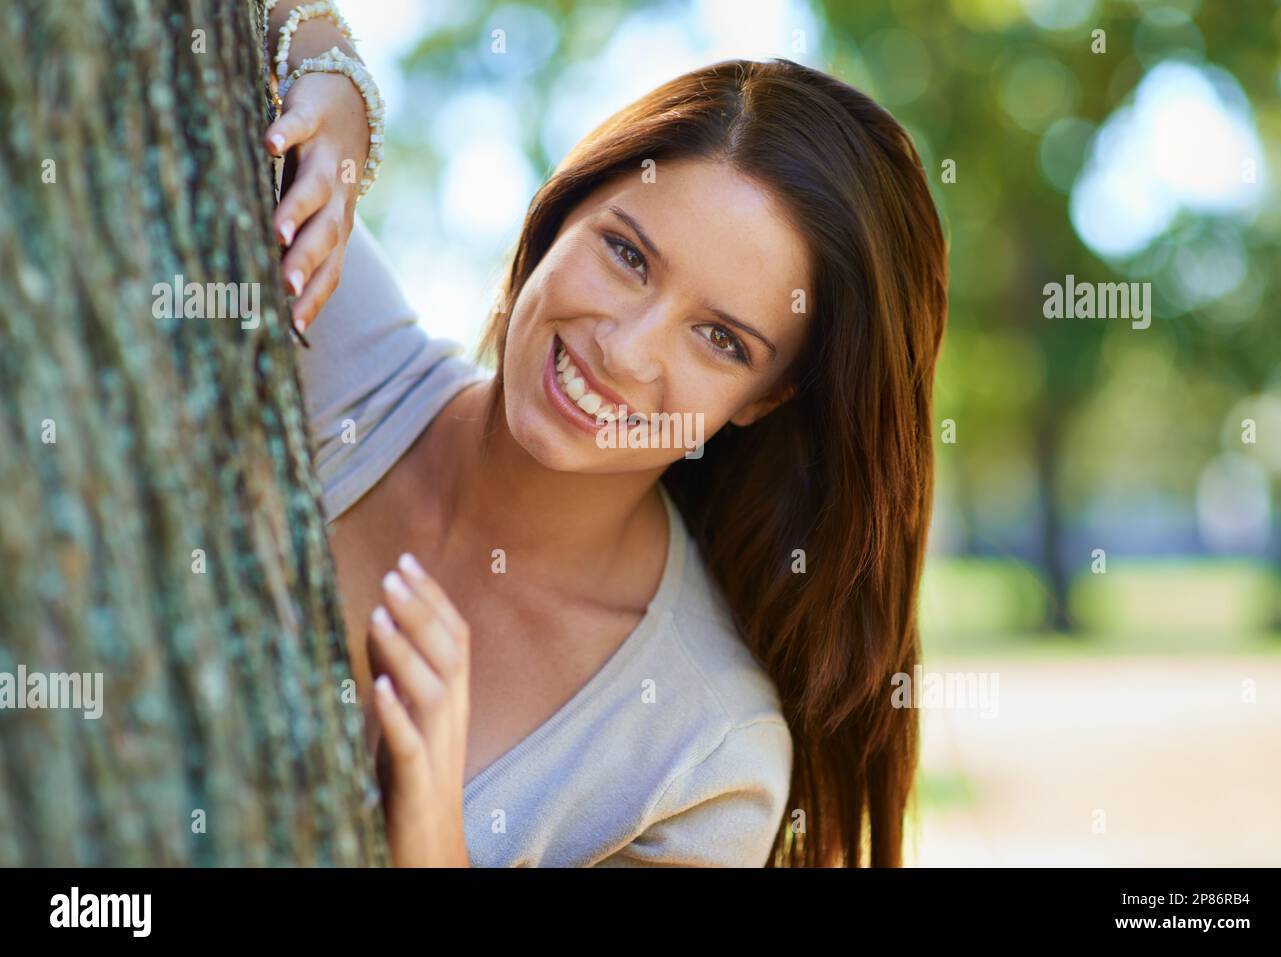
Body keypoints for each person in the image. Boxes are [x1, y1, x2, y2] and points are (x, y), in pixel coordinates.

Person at [267, 10, 947, 869]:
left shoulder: (704, 755)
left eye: (721, 339)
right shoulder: (321, 327)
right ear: (563, 209)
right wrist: (338, 83)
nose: (624, 349)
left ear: (765, 398)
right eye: (627, 254)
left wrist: (430, 830)